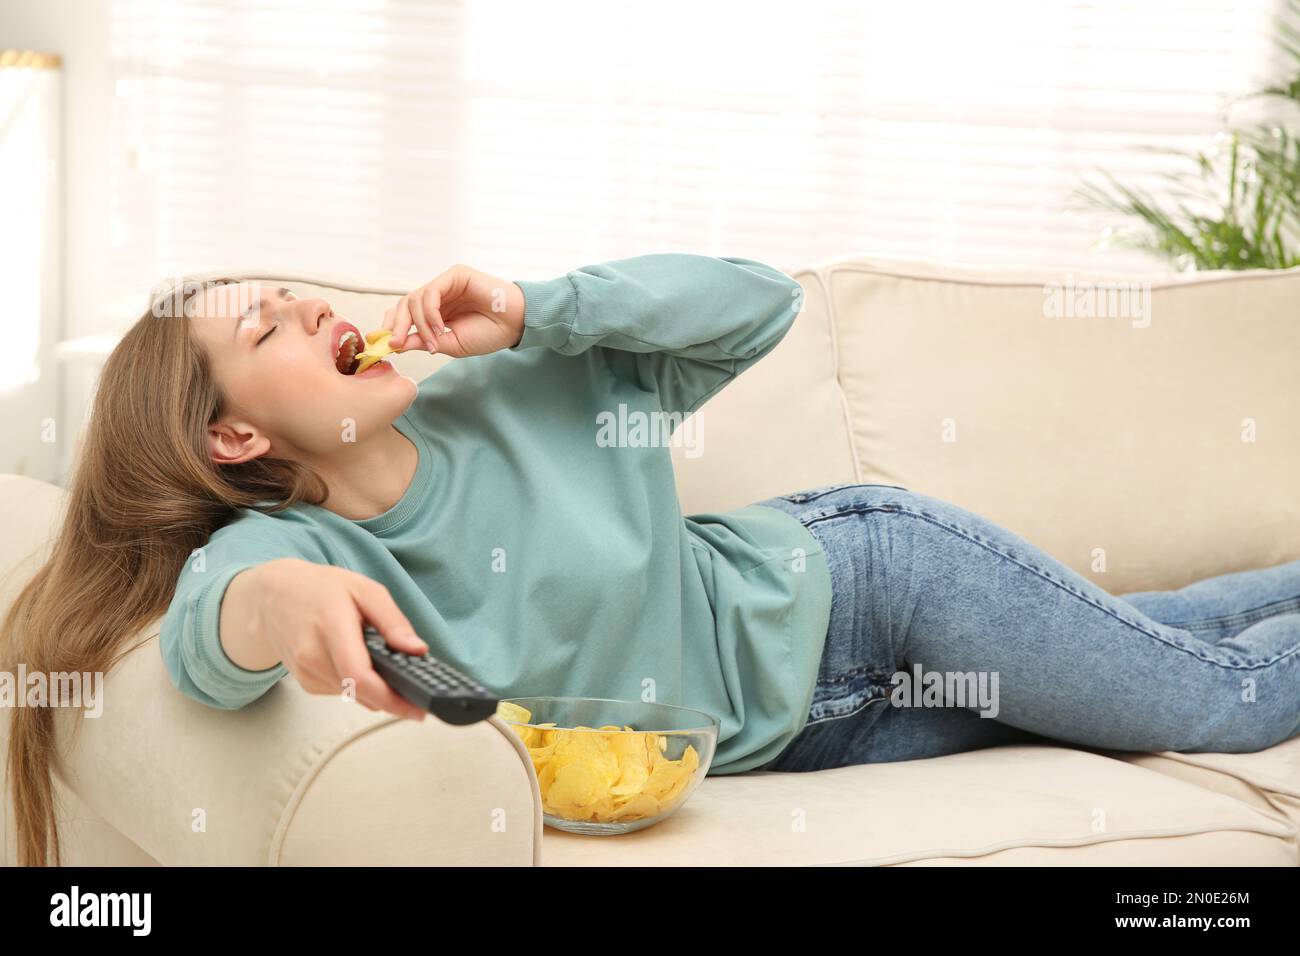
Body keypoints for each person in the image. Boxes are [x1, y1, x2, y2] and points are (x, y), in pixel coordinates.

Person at [3, 254, 1297, 867]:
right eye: (275, 329)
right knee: (1172, 632)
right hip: (812, 732)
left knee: (1214, 700)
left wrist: (542, 311)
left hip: (874, 593)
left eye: (300, 295)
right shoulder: (295, 547)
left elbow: (758, 306)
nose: (320, 310)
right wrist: (284, 598)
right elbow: (210, 638)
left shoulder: (509, 386)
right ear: (233, 433)